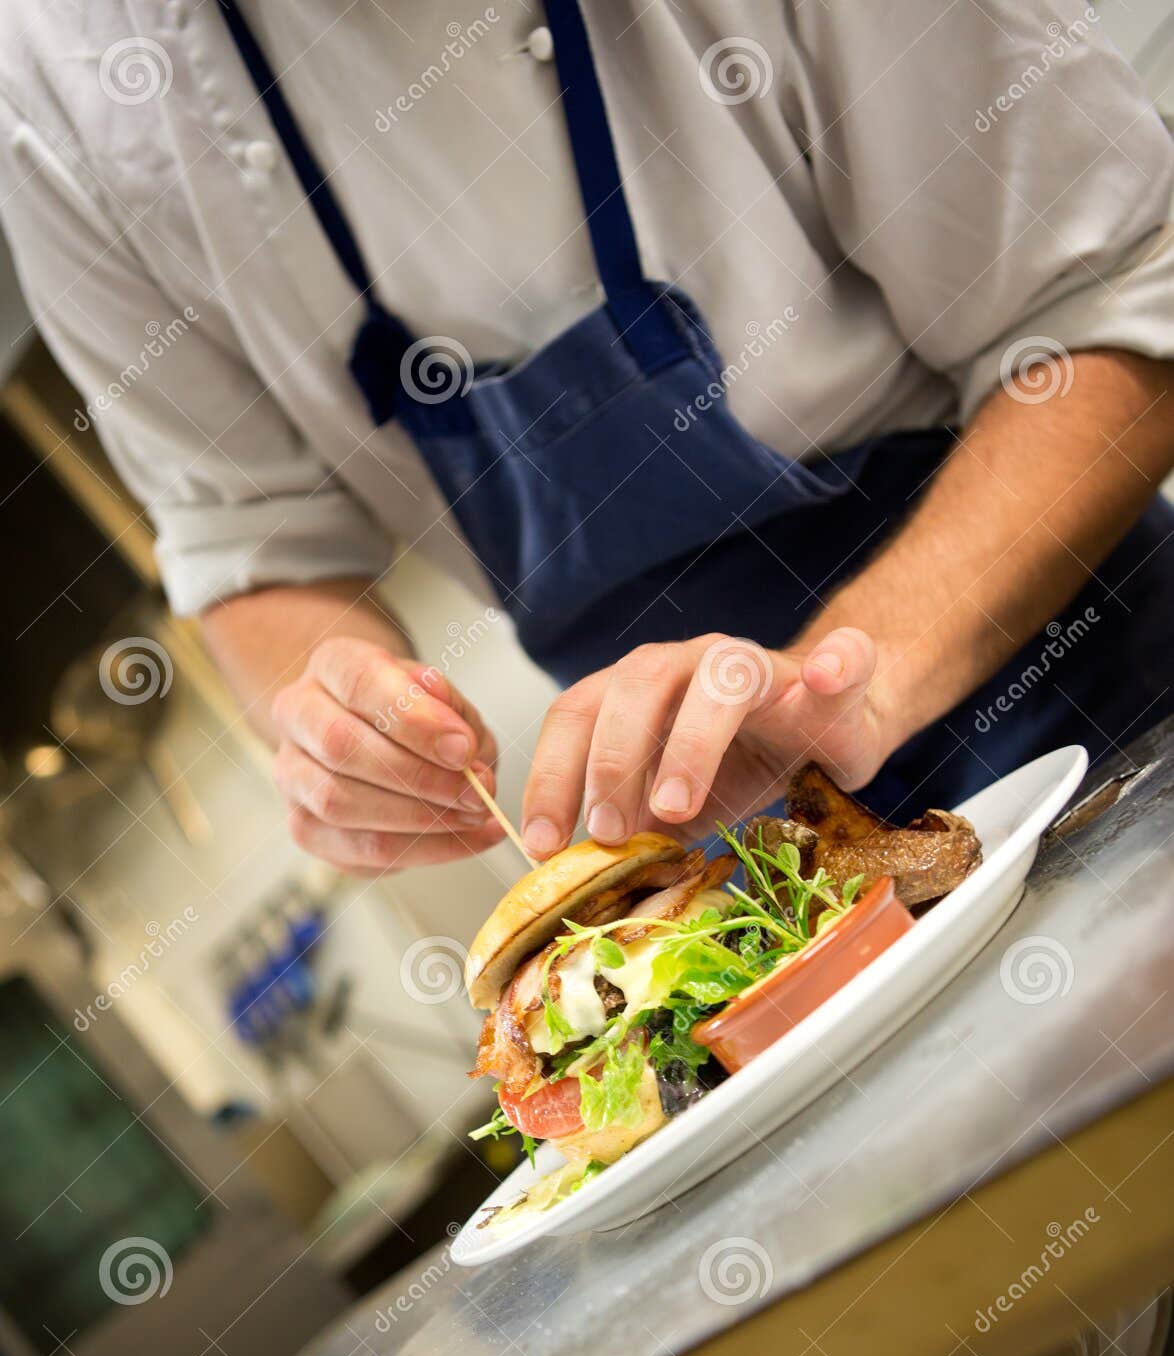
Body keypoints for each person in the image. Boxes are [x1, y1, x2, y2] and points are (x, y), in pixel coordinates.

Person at [2, 1, 1172, 877]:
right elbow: (250, 539)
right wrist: (335, 711)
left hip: (1111, 726)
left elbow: (1117, 295)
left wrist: (845, 686)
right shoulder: (47, 78)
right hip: (727, 857)